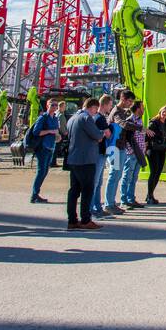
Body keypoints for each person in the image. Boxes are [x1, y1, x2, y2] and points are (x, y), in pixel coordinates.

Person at [66, 98, 107, 231]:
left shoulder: (73, 118)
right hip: (86, 159)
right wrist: (103, 133)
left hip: (73, 158)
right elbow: (97, 135)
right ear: (93, 107)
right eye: (96, 109)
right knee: (87, 190)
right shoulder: (86, 118)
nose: (95, 112)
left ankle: (72, 220)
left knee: (74, 191)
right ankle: (85, 219)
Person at [104, 93, 132, 215]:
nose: (130, 104)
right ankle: (109, 204)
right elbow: (123, 124)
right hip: (114, 148)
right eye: (129, 101)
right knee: (114, 175)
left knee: (117, 175)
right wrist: (140, 128)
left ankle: (111, 203)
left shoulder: (123, 112)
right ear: (122, 99)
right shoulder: (117, 112)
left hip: (119, 147)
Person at [29, 99, 61, 203]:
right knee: (41, 171)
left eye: (56, 105)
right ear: (47, 105)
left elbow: (56, 132)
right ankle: (34, 195)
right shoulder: (43, 118)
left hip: (51, 146)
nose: (54, 107)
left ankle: (36, 193)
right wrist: (50, 131)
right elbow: (36, 132)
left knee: (45, 172)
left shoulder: (55, 119)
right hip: (43, 147)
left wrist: (58, 136)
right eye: (52, 105)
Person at [119, 100, 147, 208]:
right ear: (137, 108)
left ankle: (131, 198)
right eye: (142, 107)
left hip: (139, 153)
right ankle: (124, 200)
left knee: (134, 177)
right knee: (127, 177)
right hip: (132, 153)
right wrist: (130, 151)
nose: (143, 109)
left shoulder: (140, 120)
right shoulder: (129, 120)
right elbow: (127, 138)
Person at [89, 94, 114, 220]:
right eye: (110, 104)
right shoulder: (100, 119)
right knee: (95, 182)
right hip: (99, 152)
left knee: (98, 182)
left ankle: (97, 207)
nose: (111, 107)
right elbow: (108, 134)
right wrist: (108, 131)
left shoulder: (96, 117)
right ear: (104, 104)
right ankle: (92, 208)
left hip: (98, 152)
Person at [144, 105, 166, 205]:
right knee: (154, 172)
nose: (165, 114)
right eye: (164, 111)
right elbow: (147, 135)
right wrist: (146, 147)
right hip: (153, 149)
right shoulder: (154, 122)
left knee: (158, 172)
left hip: (162, 149)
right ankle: (150, 196)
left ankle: (150, 195)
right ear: (160, 111)